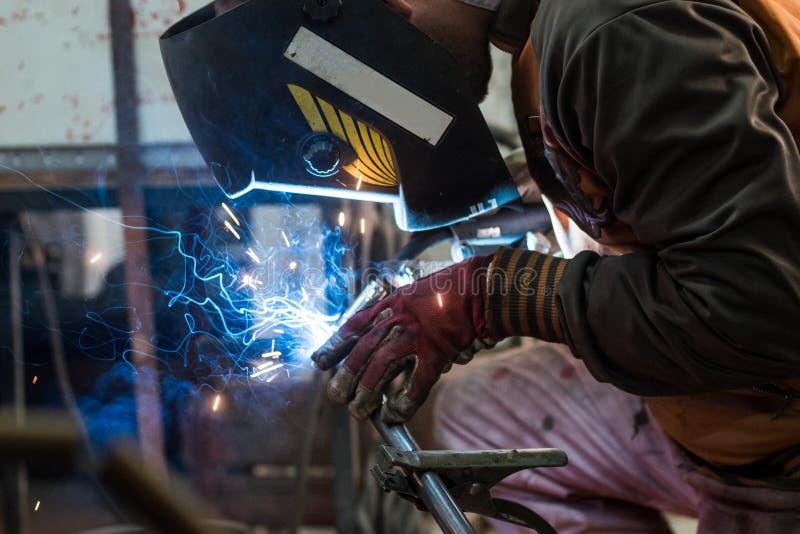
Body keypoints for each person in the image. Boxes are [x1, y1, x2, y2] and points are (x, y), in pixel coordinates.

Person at [218, 0, 800, 530]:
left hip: (777, 442)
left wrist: (497, 295)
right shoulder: (551, 35)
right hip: (706, 404)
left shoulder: (612, 25)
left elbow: (755, 305)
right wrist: (552, 196)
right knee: (476, 417)